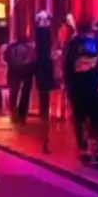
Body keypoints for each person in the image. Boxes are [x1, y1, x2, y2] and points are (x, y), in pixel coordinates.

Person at [63, 19, 98, 162]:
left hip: (78, 85)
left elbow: (67, 65)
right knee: (96, 116)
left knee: (79, 116)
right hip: (95, 84)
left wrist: (68, 84)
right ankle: (96, 144)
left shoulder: (73, 44)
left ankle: (82, 145)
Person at [33, 12, 58, 153]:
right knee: (45, 105)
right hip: (45, 72)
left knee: (44, 106)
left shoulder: (40, 52)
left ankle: (45, 139)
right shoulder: (46, 52)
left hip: (42, 72)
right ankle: (44, 139)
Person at [5, 32, 36, 123]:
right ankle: (22, 116)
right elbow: (33, 60)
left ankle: (13, 114)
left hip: (13, 72)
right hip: (26, 73)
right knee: (24, 95)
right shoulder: (29, 48)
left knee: (13, 93)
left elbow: (6, 57)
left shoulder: (11, 47)